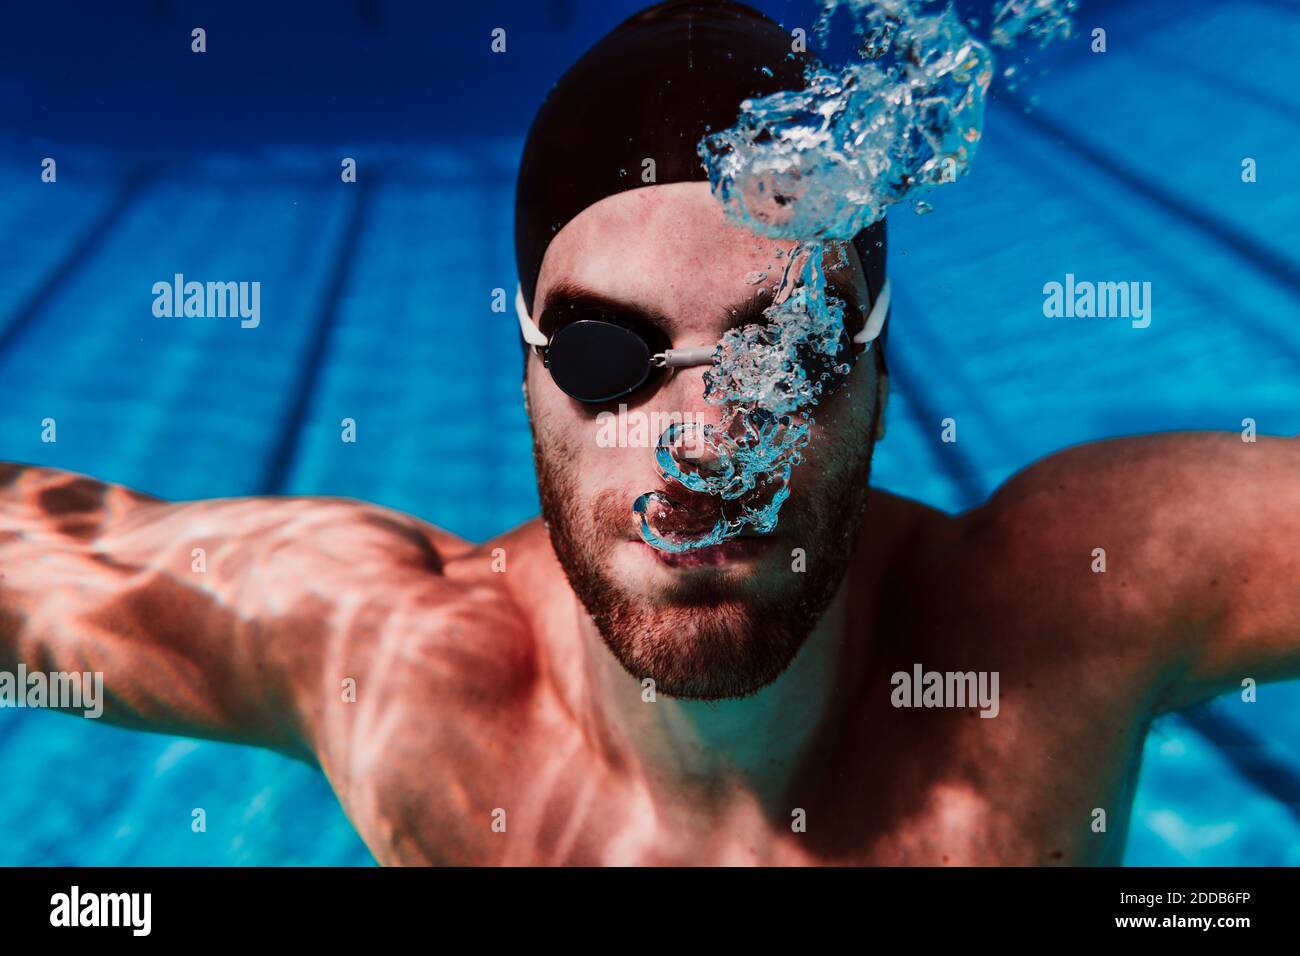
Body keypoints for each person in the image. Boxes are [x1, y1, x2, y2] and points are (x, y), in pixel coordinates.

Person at [1, 0, 1296, 865]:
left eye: (777, 351)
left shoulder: (1076, 608)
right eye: (606, 356)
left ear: (877, 376)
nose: (704, 443)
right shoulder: (393, 665)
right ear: (525, 377)